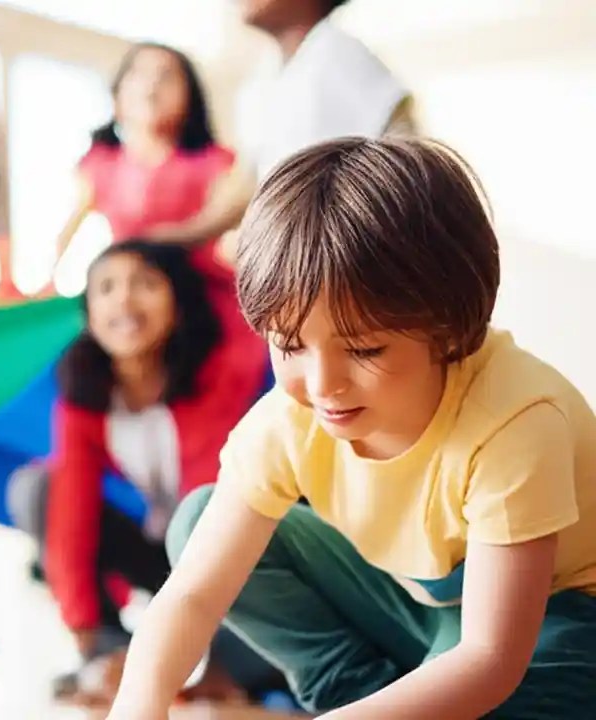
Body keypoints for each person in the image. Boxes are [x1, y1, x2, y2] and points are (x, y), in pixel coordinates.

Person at [109, 137, 596, 719]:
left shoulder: (514, 423)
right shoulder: (292, 417)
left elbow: (490, 659)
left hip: (550, 619)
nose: (323, 385)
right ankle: (358, 697)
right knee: (197, 525)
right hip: (421, 600)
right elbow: (191, 593)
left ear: (445, 327)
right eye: (289, 345)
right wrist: (137, 706)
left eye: (363, 349)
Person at [8, 241, 274, 704]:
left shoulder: (219, 368)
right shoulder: (83, 389)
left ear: (177, 304)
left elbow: (217, 517)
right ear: (88, 313)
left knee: (208, 513)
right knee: (36, 488)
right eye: (106, 288)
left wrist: (188, 641)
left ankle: (205, 661)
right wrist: (84, 634)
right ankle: (109, 652)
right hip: (160, 553)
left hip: (228, 554)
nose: (124, 301)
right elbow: (72, 515)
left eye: (146, 284)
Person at [152, 0, 413, 256]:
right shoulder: (259, 82)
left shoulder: (345, 58)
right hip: (294, 256)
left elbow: (404, 168)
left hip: (345, 258)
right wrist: (176, 237)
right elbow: (249, 187)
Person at [54, 43, 234, 272]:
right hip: (131, 290)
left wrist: (180, 236)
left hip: (199, 290)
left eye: (166, 75)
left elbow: (231, 226)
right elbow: (65, 236)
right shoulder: (99, 164)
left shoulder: (212, 162)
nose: (152, 83)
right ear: (117, 95)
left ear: (191, 99)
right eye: (139, 73)